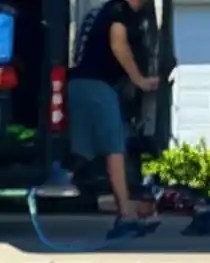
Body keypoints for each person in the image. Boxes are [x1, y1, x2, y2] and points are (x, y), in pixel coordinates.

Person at [60, 0, 159, 239]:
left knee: (84, 151)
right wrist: (139, 80)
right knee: (114, 148)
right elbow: (118, 44)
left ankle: (59, 180)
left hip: (82, 85)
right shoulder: (118, 10)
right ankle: (125, 215)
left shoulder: (130, 14)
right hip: (96, 86)